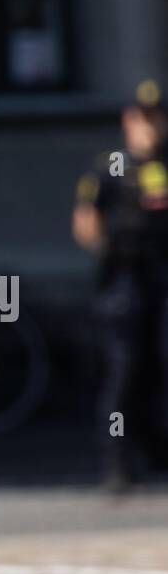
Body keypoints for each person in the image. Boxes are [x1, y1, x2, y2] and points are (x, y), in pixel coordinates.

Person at [73, 79, 168, 490]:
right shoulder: (111, 165)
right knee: (124, 372)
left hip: (161, 279)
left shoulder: (165, 164)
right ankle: (116, 460)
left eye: (156, 118)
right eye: (141, 118)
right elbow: (86, 219)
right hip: (125, 284)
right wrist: (107, 252)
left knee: (158, 367)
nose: (149, 126)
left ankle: (157, 451)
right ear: (128, 120)